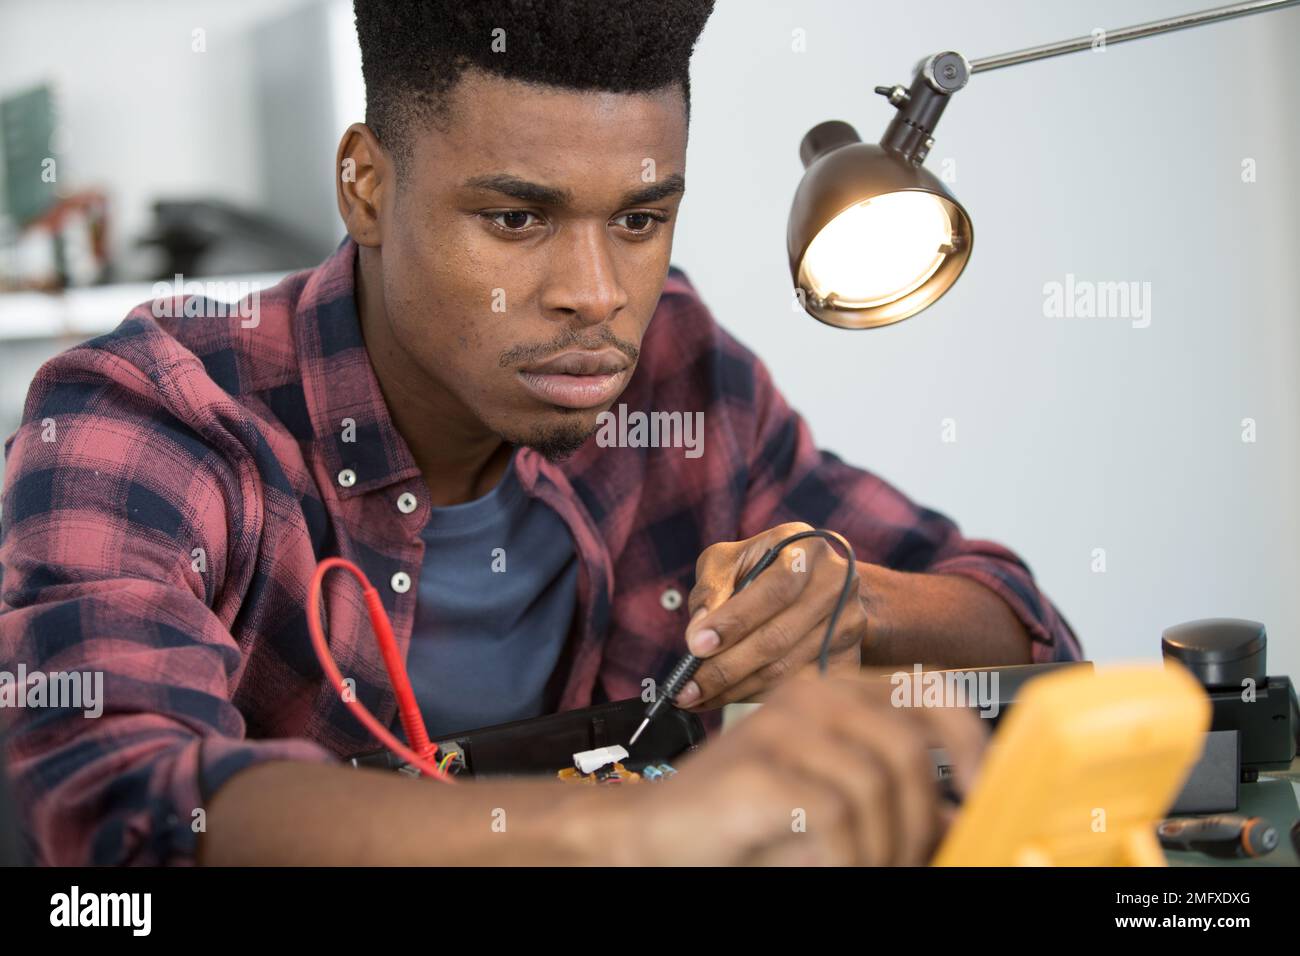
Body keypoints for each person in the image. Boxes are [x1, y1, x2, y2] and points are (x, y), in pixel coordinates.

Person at [0, 0, 1080, 866]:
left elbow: (1029, 635)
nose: (596, 295)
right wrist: (643, 828)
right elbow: (118, 806)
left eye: (639, 219)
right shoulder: (147, 414)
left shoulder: (678, 372)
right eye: (517, 218)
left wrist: (861, 603)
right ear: (366, 186)